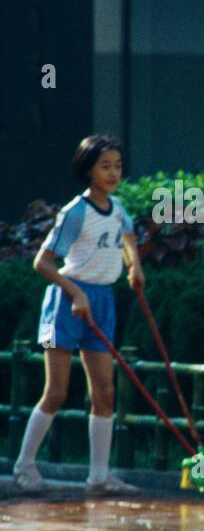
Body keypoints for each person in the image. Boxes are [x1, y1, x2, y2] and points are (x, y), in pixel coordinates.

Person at [12, 135, 143, 496]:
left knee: (104, 391)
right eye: (105, 166)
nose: (113, 172)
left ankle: (99, 476)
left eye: (117, 165)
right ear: (88, 170)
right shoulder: (75, 212)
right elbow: (43, 262)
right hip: (65, 303)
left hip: (101, 303)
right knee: (56, 391)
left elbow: (128, 233)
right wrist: (75, 292)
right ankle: (24, 467)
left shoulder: (116, 208)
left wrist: (135, 266)